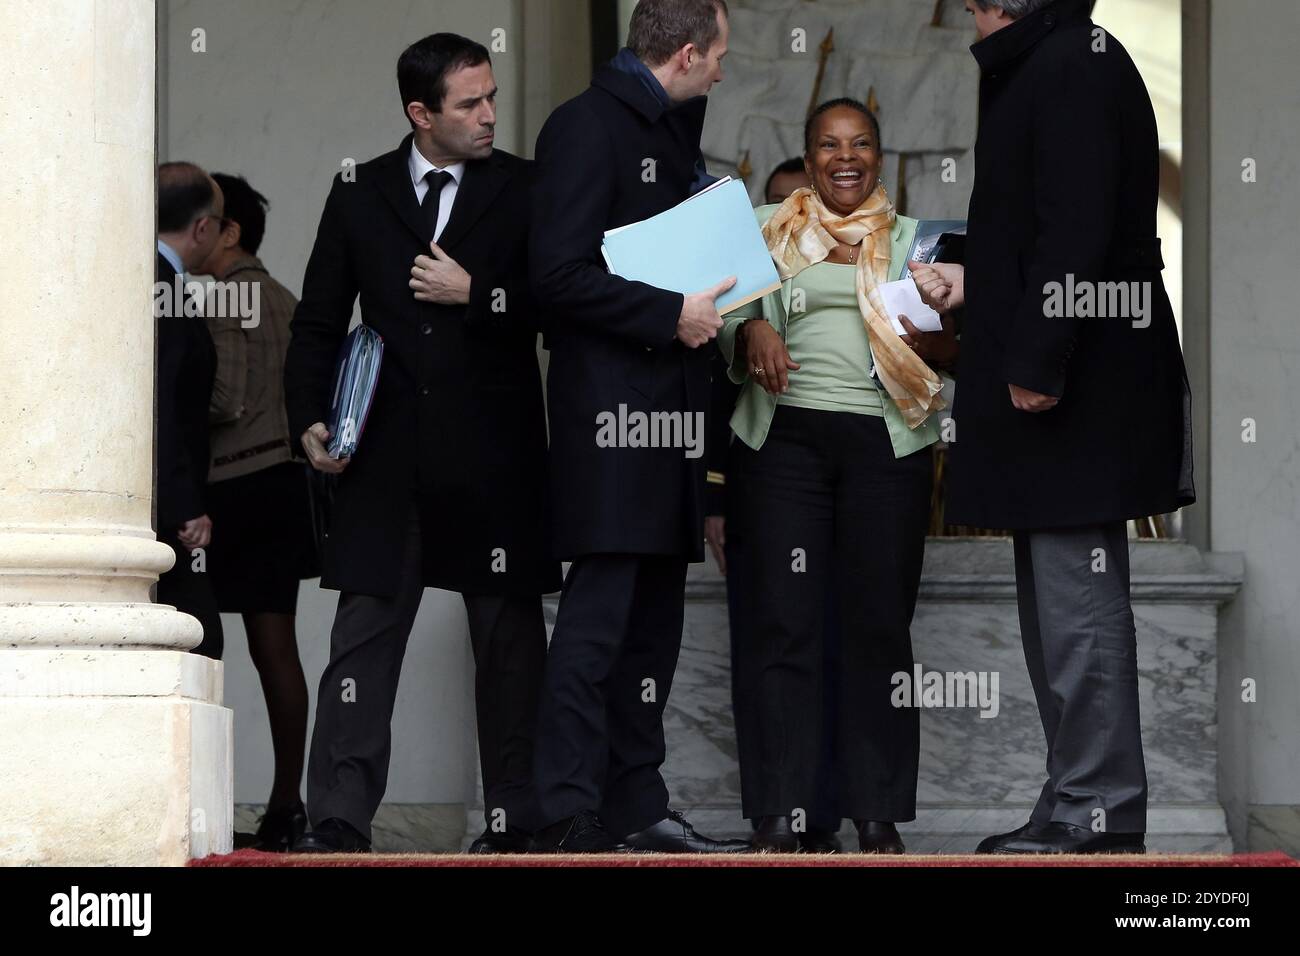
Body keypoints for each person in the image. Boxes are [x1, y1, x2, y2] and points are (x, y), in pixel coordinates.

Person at [909, 0, 1194, 854]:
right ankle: (1075, 796)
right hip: (1073, 372)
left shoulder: (1071, 62)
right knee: (1055, 602)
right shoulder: (1058, 59)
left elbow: (1076, 231)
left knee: (1076, 602)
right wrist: (972, 284)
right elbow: (1042, 233)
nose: (964, 6)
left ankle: (1097, 807)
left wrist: (1036, 360)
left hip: (1080, 384)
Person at [283, 33, 560, 854]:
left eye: (491, 97)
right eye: (469, 103)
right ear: (420, 113)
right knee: (361, 640)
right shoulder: (359, 192)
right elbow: (318, 322)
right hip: (385, 459)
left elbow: (565, 301)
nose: (488, 115)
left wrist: (481, 293)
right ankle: (337, 819)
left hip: (497, 455)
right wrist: (309, 418)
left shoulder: (524, 187)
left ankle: (515, 822)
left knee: (510, 647)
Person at [528, 0, 747, 853]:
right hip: (612, 420)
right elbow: (554, 276)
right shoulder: (585, 127)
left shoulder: (671, 132)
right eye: (721, 55)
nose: (725, 71)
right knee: (597, 622)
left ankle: (635, 803)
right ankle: (566, 810)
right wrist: (672, 315)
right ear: (688, 53)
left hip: (672, 421)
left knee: (654, 627)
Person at [719, 99, 957, 853]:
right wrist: (751, 322)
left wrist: (935, 320)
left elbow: (953, 345)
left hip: (886, 448)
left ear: (880, 159)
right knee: (780, 625)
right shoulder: (765, 224)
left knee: (877, 629)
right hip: (782, 442)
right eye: (828, 145)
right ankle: (781, 815)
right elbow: (719, 305)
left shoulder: (917, 241)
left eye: (859, 145)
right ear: (809, 156)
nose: (844, 158)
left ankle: (876, 813)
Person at [198, 173, 315, 852]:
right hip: (282, 485)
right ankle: (285, 807)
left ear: (229, 230)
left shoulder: (224, 298)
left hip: (231, 488)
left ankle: (198, 800)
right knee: (277, 651)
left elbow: (224, 400)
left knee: (199, 642)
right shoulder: (286, 299)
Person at [155, 162, 225, 661]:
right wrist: (185, 504)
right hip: (167, 511)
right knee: (200, 642)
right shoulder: (164, 289)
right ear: (202, 227)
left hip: (159, 503)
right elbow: (162, 402)